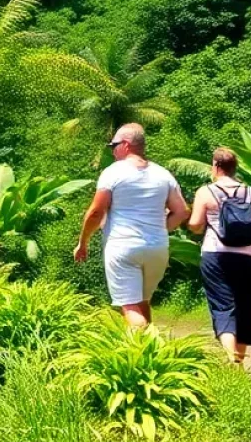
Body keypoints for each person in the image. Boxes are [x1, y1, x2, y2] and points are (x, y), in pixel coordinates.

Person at [74, 123, 189, 327]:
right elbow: (181, 212)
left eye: (114, 145)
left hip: (123, 246)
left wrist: (83, 242)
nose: (113, 150)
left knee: (129, 306)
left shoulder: (113, 172)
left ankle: (141, 347)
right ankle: (152, 353)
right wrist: (160, 230)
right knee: (143, 302)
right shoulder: (163, 174)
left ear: (125, 145)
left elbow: (95, 212)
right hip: (157, 249)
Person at [187, 148, 251, 363]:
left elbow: (196, 225)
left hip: (217, 254)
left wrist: (196, 224)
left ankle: (233, 360)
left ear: (216, 166)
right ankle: (240, 360)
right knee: (244, 308)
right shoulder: (250, 192)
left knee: (223, 306)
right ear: (235, 168)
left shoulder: (205, 192)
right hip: (250, 256)